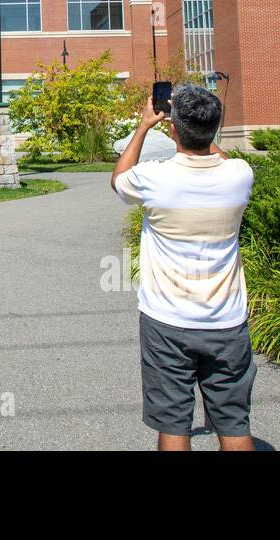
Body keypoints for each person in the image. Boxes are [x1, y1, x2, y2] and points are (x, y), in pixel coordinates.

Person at [110, 83, 257, 451]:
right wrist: (201, 132)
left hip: (167, 322)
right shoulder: (240, 174)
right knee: (235, 426)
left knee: (173, 425)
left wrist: (144, 126)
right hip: (227, 322)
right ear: (215, 128)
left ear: (173, 128)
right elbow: (217, 157)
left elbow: (118, 180)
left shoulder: (155, 178)